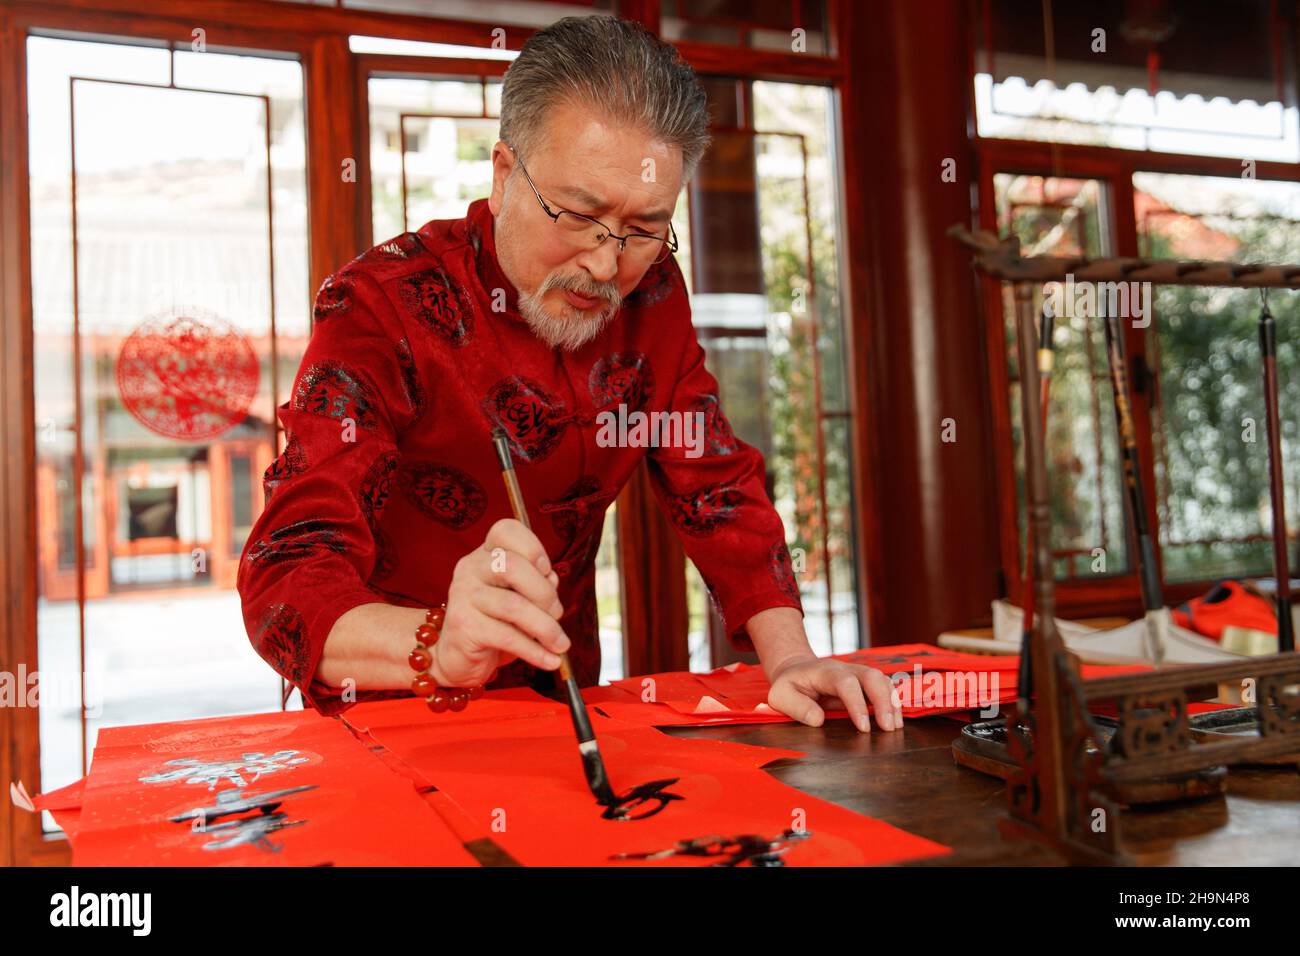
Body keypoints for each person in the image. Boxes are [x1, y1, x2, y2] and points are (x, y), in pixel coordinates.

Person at [236, 14, 902, 732]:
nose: (604, 263)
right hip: (391, 707)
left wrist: (791, 657)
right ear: (502, 174)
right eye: (579, 215)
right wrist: (437, 645)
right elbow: (288, 572)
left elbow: (714, 486)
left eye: (644, 229)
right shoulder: (382, 305)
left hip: (565, 705)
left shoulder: (650, 295)